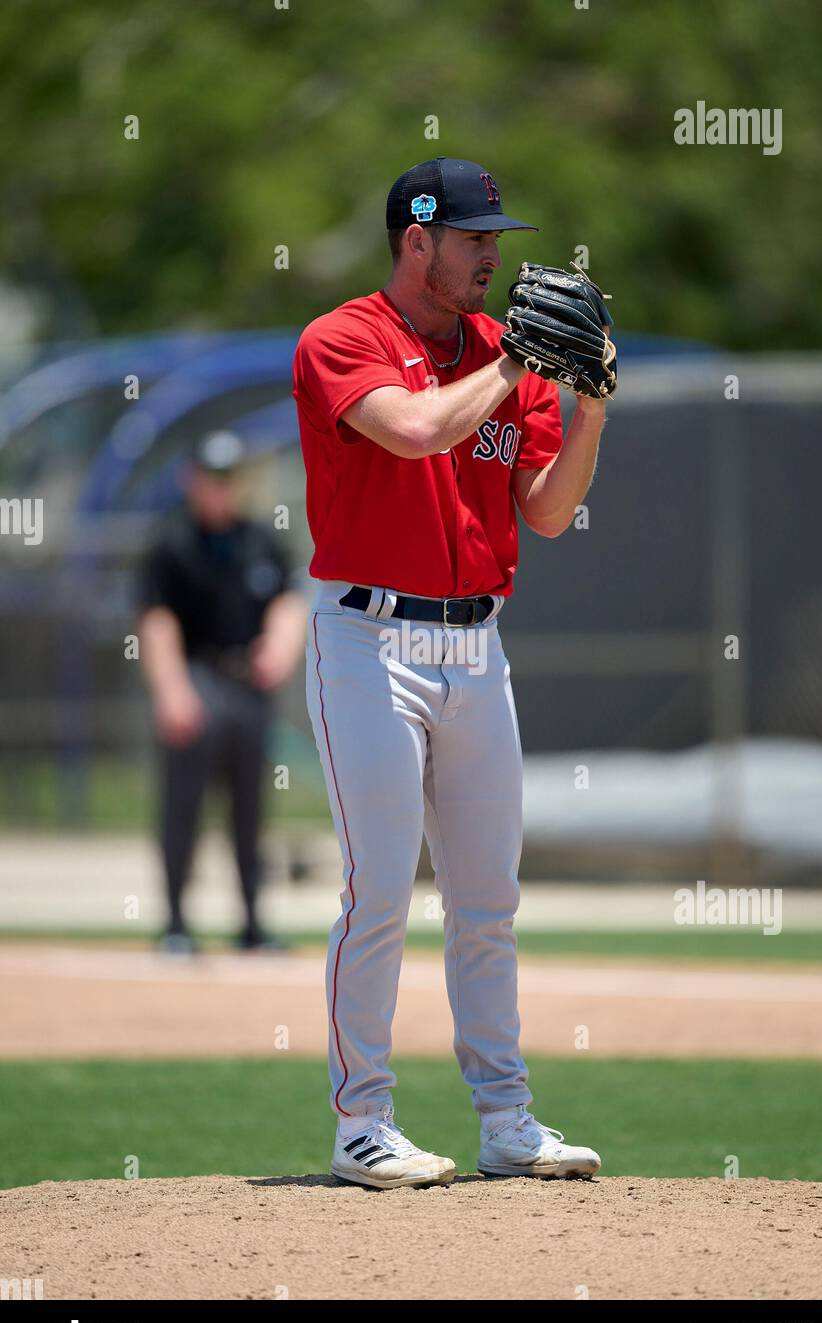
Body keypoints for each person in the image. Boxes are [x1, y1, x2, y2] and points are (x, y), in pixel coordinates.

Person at [292, 157, 611, 1189]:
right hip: (366, 641)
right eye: (472, 237)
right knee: (378, 887)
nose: (491, 255)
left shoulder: (495, 354)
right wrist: (517, 361)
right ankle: (361, 1124)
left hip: (476, 644)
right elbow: (419, 428)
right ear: (413, 239)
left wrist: (591, 405)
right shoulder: (342, 339)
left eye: (494, 237)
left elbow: (550, 513)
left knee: (486, 897)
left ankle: (507, 1118)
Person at [138, 430, 307, 953]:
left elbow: (289, 599)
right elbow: (157, 621)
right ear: (193, 480)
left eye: (228, 478)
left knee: (251, 812)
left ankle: (252, 924)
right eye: (212, 478)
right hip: (198, 679)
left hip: (248, 688)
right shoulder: (171, 545)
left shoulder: (260, 540)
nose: (220, 488)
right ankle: (176, 925)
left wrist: (281, 647)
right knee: (183, 807)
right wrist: (171, 690)